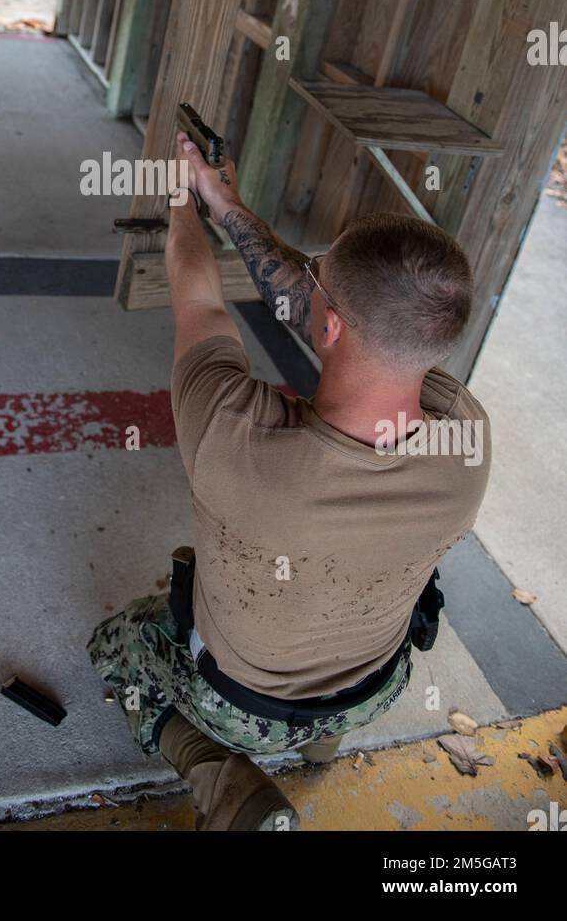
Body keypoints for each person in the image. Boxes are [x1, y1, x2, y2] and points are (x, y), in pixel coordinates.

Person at [88, 134, 491, 831]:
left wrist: (184, 204)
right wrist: (229, 204)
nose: (303, 282)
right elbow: (352, 331)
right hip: (377, 687)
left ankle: (226, 782)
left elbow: (199, 300)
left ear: (329, 323)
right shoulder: (467, 433)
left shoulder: (234, 435)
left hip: (243, 712)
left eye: (316, 277)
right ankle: (322, 746)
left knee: (115, 647)